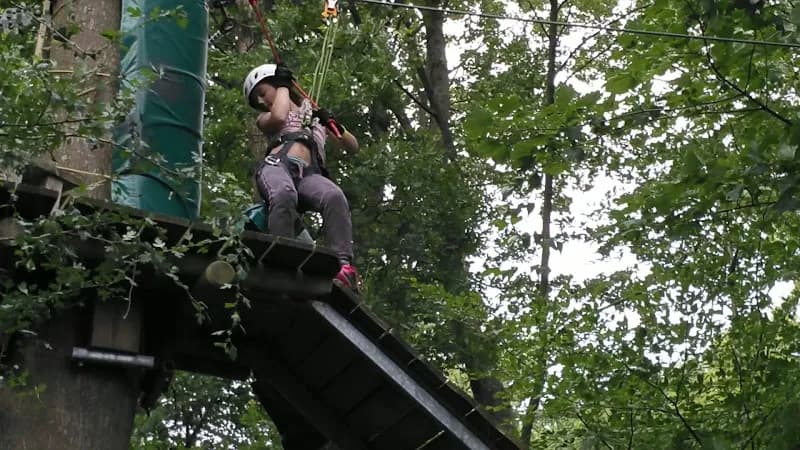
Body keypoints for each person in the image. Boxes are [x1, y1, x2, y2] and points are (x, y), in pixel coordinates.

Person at [243, 63, 361, 291]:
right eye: (257, 100)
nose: (261, 102)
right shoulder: (265, 117)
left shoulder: (314, 117)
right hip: (278, 167)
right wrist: (283, 85)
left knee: (334, 196)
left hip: (310, 175)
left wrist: (331, 123)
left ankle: (344, 266)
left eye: (262, 92)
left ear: (273, 83)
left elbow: (353, 146)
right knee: (284, 194)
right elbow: (279, 116)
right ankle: (283, 257)